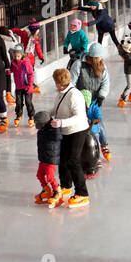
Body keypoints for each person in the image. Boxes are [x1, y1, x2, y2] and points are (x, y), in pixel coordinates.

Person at [48, 68, 91, 208]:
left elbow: (79, 116)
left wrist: (61, 122)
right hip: (65, 130)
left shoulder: (75, 95)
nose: (55, 85)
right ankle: (66, 185)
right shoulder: (61, 93)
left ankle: (82, 194)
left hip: (77, 130)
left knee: (73, 160)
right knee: (63, 159)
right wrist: (47, 116)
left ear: (60, 83)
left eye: (56, 82)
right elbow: (56, 110)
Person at [32, 110, 63, 207]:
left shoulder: (53, 130)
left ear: (44, 123)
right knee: (39, 175)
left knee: (50, 176)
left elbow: (58, 137)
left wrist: (56, 127)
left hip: (50, 159)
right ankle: (47, 190)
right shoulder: (42, 129)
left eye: (38, 123)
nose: (37, 125)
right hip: (43, 157)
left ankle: (57, 191)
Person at [9, 47, 36, 128]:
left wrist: (30, 85)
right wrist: (8, 71)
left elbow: (30, 74)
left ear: (22, 55)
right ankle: (18, 116)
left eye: (18, 56)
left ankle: (31, 116)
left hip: (27, 87)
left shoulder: (26, 63)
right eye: (15, 56)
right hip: (18, 87)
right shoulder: (13, 62)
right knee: (18, 103)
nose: (17, 58)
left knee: (28, 102)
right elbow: (11, 70)